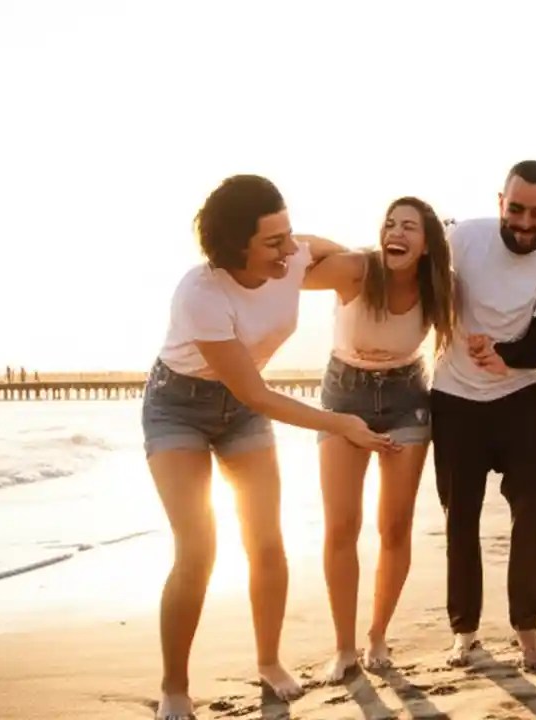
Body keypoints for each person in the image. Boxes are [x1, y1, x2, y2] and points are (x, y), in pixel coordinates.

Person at [141, 174, 398, 720]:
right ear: (236, 246)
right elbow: (254, 391)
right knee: (198, 548)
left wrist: (337, 251)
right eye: (274, 241)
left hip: (241, 412)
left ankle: (268, 660)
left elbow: (332, 252)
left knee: (267, 542)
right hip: (179, 405)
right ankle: (174, 686)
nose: (291, 249)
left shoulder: (289, 261)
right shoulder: (200, 294)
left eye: (288, 232)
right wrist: (340, 422)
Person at [430, 160, 536, 670]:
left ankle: (528, 631)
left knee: (529, 513)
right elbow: (416, 272)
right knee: (461, 519)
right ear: (500, 201)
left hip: (519, 399)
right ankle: (464, 633)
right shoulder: (464, 240)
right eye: (515, 208)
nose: (524, 222)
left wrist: (504, 357)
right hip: (453, 398)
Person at [300, 196, 455, 682]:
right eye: (391, 224)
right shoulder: (354, 270)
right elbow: (293, 264)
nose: (397, 232)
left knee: (395, 525)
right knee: (342, 525)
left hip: (407, 396)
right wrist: (335, 246)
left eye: (410, 227)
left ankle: (377, 636)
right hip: (344, 395)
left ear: (427, 245)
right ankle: (344, 647)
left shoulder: (439, 286)